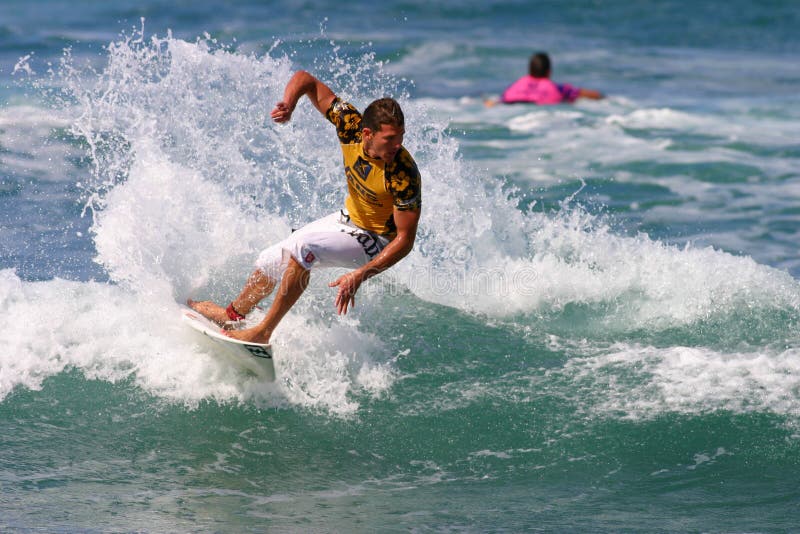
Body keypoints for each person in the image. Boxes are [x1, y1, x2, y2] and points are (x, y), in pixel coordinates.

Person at [188, 70, 422, 344]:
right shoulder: (349, 124)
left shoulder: (402, 172)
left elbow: (405, 241)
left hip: (378, 240)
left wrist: (360, 274)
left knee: (304, 249)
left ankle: (263, 332)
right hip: (349, 218)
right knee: (272, 259)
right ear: (367, 133)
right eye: (390, 138)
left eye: (400, 137)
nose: (398, 144)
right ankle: (232, 316)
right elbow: (306, 80)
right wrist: (289, 104)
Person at [486, 52, 603, 106]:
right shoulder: (558, 88)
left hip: (510, 106)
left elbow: (500, 99)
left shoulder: (516, 85)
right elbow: (583, 93)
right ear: (549, 72)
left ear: (529, 71)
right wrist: (600, 96)